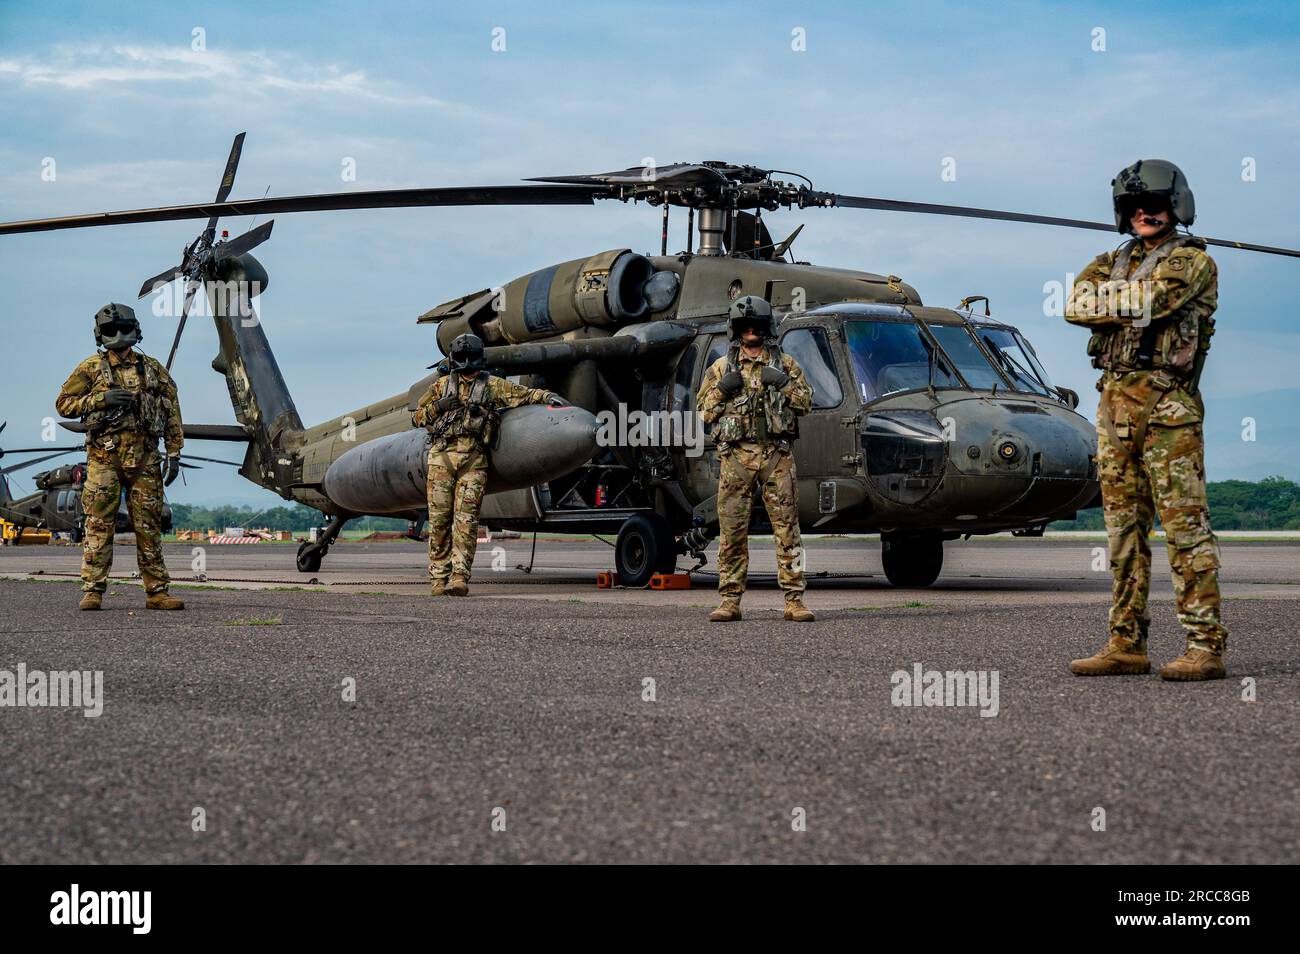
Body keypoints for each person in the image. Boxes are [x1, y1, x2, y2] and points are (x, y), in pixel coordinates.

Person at [1065, 159, 1226, 680]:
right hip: (1114, 407)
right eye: (1134, 206)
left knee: (1185, 531)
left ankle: (1205, 645)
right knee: (1123, 534)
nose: (1144, 213)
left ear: (1175, 208)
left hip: (1168, 410)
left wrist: (1106, 302)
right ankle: (1126, 643)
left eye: (1155, 204)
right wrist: (1113, 302)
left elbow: (1152, 300)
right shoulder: (1109, 259)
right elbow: (1073, 304)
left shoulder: (1191, 262)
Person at [412, 333, 564, 596]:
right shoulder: (440, 387)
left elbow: (523, 395)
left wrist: (546, 396)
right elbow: (417, 418)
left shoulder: (491, 385)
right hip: (441, 460)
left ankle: (459, 577)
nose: (467, 363)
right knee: (439, 522)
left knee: (466, 522)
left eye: (470, 356)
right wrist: (439, 406)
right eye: (462, 357)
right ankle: (438, 578)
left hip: (474, 460)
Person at [55, 303, 184, 611]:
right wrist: (100, 399)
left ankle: (156, 591)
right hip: (104, 459)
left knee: (148, 525)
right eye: (112, 330)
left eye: (125, 328)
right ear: (101, 335)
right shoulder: (89, 369)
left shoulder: (152, 368)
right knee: (98, 525)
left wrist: (174, 451)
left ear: (136, 331)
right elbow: (63, 404)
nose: (119, 335)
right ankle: (93, 589)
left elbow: (171, 409)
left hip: (145, 458)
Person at [696, 296, 814, 622]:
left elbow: (805, 404)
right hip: (736, 458)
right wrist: (722, 388)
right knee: (732, 531)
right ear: (736, 330)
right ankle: (729, 599)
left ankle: (795, 600)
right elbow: (704, 413)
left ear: (767, 329)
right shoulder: (722, 368)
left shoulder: (784, 364)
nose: (751, 330)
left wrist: (785, 383)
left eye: (757, 325)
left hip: (777, 455)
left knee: (789, 531)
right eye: (745, 326)